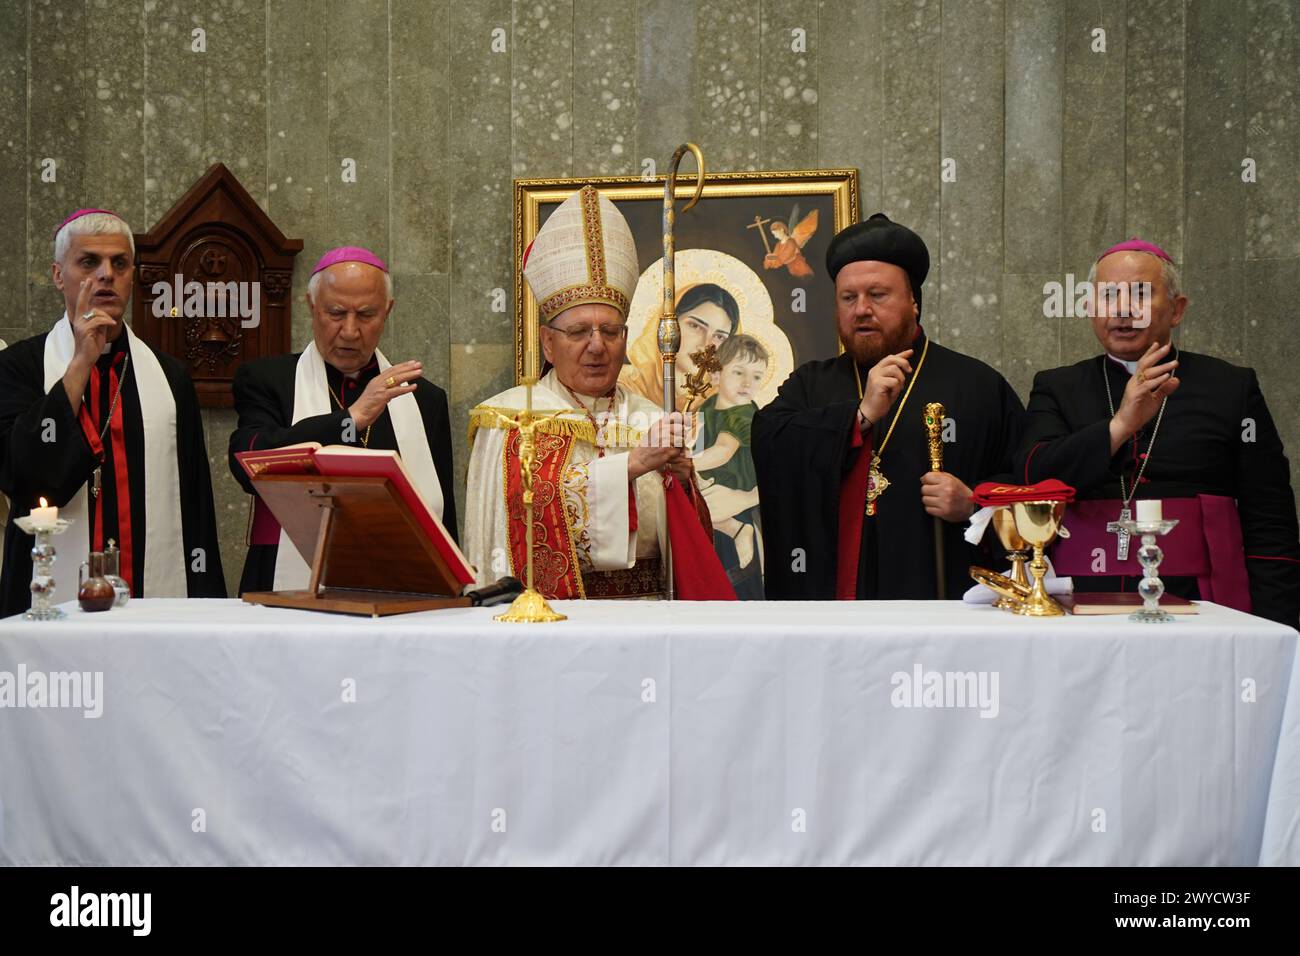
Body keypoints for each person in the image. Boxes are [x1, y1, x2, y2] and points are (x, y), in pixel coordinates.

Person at [1015, 238, 1300, 628]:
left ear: (1177, 309)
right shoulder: (1057, 387)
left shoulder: (1230, 388)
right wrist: (1120, 426)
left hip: (1205, 604)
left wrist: (1277, 626)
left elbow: (1269, 517)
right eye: (1108, 295)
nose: (1122, 310)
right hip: (1079, 603)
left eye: (1140, 295)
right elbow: (1033, 476)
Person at [465, 185, 728, 600]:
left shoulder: (650, 416)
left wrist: (683, 483)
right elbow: (522, 515)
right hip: (556, 620)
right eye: (577, 332)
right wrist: (633, 464)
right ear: (547, 343)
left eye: (610, 331)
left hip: (649, 613)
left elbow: (687, 545)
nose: (596, 345)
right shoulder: (511, 418)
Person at [753, 213, 1027, 600]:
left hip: (941, 612)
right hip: (832, 611)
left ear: (913, 301)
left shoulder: (978, 387)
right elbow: (769, 443)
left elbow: (1030, 491)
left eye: (877, 295)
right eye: (848, 298)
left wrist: (973, 504)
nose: (861, 309)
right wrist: (859, 417)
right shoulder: (811, 385)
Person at [0, 209, 225, 614]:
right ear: (57, 275)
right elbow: (24, 476)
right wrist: (81, 362)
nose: (106, 274)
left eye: (119, 263)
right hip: (49, 597)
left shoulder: (170, 376)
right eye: (89, 262)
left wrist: (207, 605)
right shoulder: (19, 367)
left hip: (153, 598)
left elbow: (195, 506)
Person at [228, 246, 456, 593]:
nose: (350, 331)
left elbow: (441, 515)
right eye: (336, 313)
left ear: (388, 312)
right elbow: (248, 463)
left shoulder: (424, 399)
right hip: (284, 578)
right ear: (311, 306)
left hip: (396, 582)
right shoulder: (267, 380)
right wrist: (350, 418)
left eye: (366, 315)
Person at [693, 333, 767, 599]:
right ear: (715, 376)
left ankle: (741, 528)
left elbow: (722, 452)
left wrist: (687, 464)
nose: (748, 383)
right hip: (715, 483)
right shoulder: (709, 407)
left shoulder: (743, 413)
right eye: (738, 372)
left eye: (756, 376)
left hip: (742, 487)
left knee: (702, 509)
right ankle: (736, 529)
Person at [622, 282, 738, 412]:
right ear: (668, 326)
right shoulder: (626, 386)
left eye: (720, 337)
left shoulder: (721, 401)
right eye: (695, 326)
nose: (706, 345)